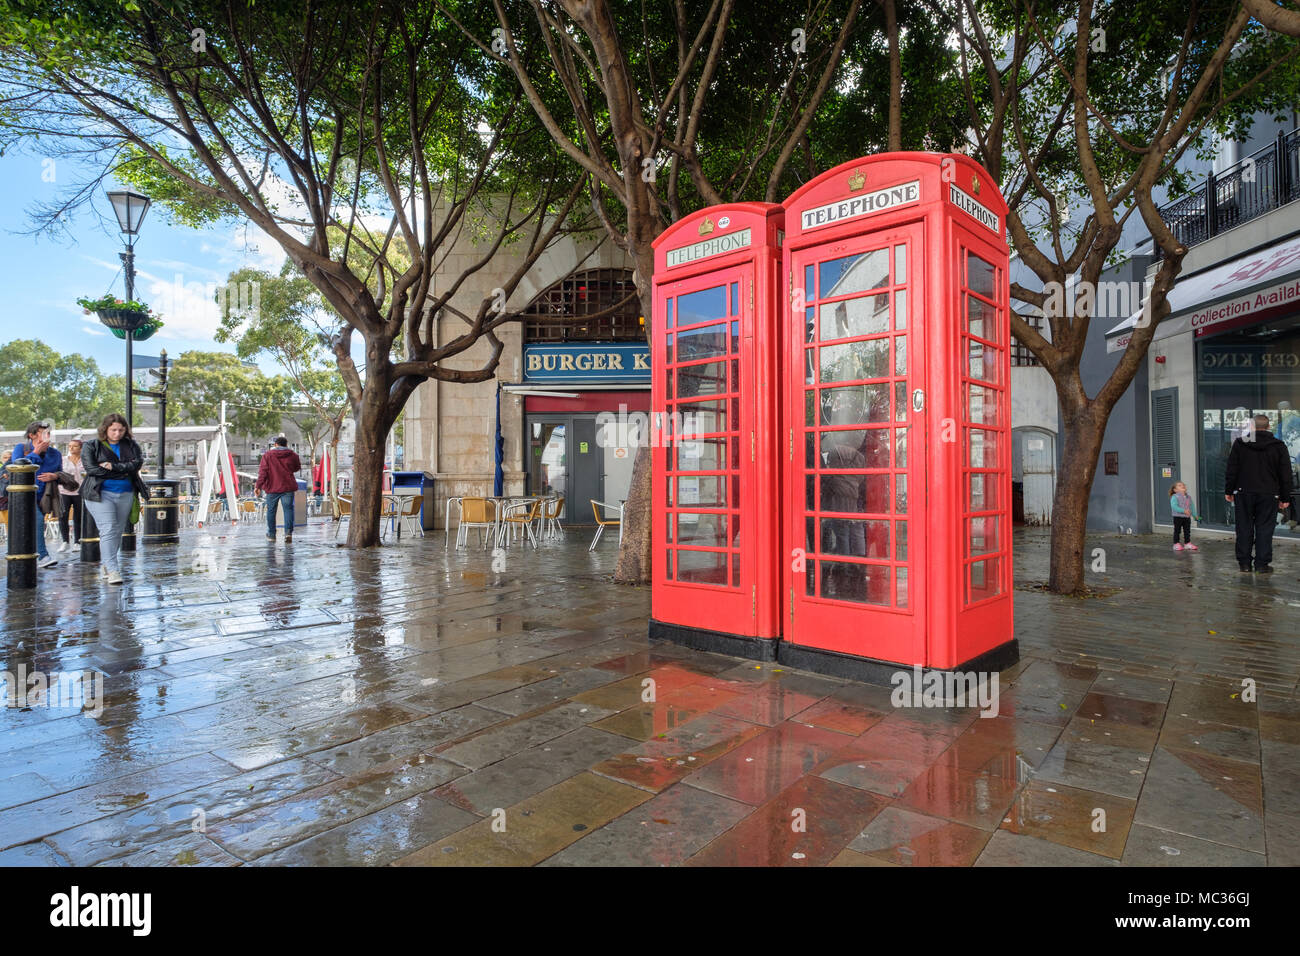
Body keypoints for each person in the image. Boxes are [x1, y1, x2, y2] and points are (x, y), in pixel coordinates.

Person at [82, 413, 150, 585]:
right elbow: (91, 469)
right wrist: (124, 471)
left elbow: (137, 464)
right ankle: (113, 570)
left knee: (117, 531)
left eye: (121, 430)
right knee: (109, 528)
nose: (117, 433)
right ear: (105, 429)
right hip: (99, 493)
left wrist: (113, 467)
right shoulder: (92, 445)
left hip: (126, 492)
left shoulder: (131, 445)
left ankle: (107, 563)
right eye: (113, 430)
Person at [1225, 413, 1293, 573]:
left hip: (1243, 492)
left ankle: (1244, 564)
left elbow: (1231, 469)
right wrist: (1285, 497)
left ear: (1253, 427)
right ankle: (1262, 564)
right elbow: (1285, 474)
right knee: (1264, 529)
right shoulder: (1278, 445)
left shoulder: (1240, 444)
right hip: (1269, 494)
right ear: (1269, 427)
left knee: (1244, 527)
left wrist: (1229, 490)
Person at [11, 422, 63, 568]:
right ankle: (43, 556)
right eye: (42, 433)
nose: (47, 436)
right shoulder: (22, 449)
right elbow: (18, 468)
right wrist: (36, 453)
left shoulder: (55, 454)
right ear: (32, 435)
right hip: (23, 496)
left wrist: (54, 476)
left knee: (32, 525)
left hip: (43, 496)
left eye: (48, 433)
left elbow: (61, 473)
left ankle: (26, 557)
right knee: (38, 520)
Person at [256, 435, 302, 543]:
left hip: (272, 487)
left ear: (275, 445)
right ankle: (288, 533)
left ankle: (272, 535)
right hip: (287, 486)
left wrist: (258, 486)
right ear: (286, 445)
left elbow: (263, 472)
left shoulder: (267, 455)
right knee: (288, 510)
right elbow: (296, 468)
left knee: (271, 511)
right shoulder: (293, 455)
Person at [57, 437, 85, 552]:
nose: (71, 448)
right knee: (62, 515)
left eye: (74, 446)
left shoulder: (85, 460)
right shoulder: (63, 460)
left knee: (78, 517)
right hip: (64, 491)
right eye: (69, 446)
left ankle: (77, 541)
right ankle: (65, 541)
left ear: (80, 448)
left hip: (79, 492)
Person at [1169, 481, 1202, 552]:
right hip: (1177, 517)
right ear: (1175, 490)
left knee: (1187, 531)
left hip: (1187, 517)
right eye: (1179, 485)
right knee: (1177, 531)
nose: (1182, 486)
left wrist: (1195, 516)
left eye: (1183, 485)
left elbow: (1192, 507)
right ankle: (1176, 544)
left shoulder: (1188, 497)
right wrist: (1183, 511)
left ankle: (1187, 543)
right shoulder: (1174, 497)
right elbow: (1174, 506)